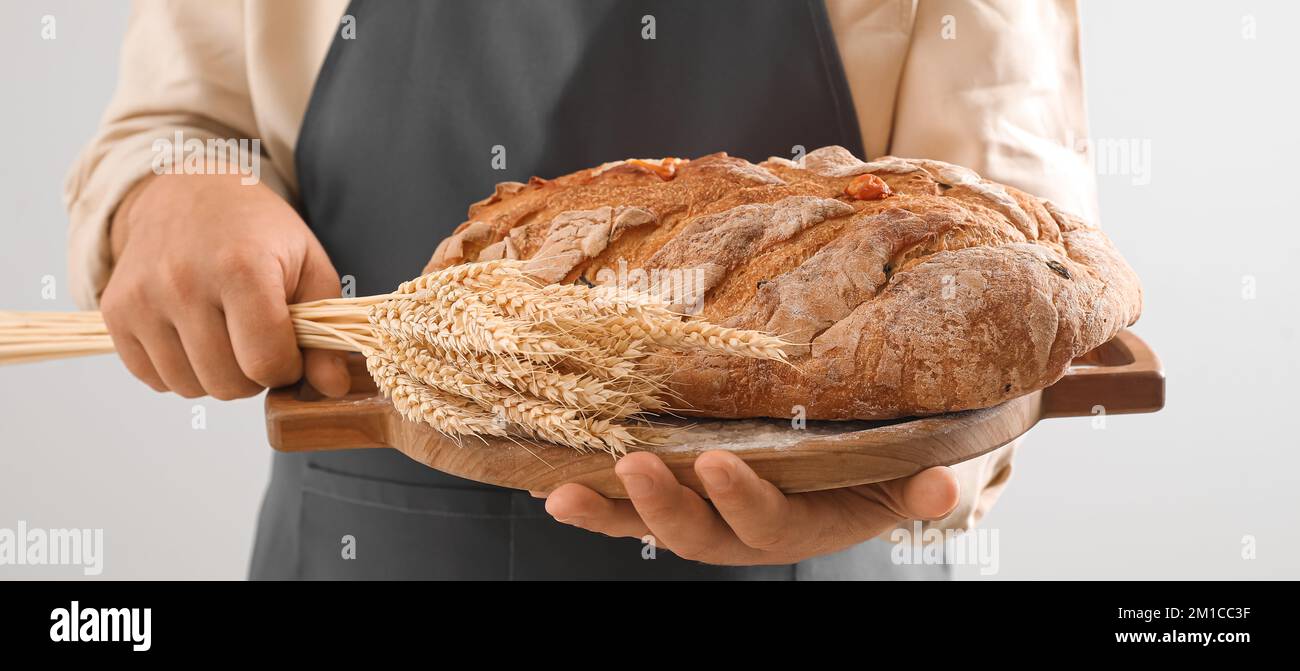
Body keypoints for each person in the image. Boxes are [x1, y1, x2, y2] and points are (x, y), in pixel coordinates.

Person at [66, 0, 1094, 579]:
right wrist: (177, 191)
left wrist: (926, 479)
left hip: (808, 543)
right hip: (364, 548)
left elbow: (1011, 271)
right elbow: (180, 119)